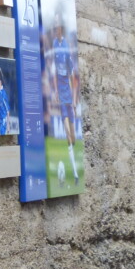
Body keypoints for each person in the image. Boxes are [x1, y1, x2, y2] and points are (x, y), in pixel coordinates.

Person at [52, 21, 79, 184]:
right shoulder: (55, 46)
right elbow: (55, 74)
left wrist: (74, 100)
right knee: (68, 134)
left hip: (69, 96)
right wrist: (56, 91)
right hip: (61, 96)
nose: (57, 32)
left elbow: (73, 79)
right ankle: (75, 174)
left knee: (73, 136)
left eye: (59, 29)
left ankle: (72, 144)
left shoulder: (67, 56)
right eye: (55, 30)